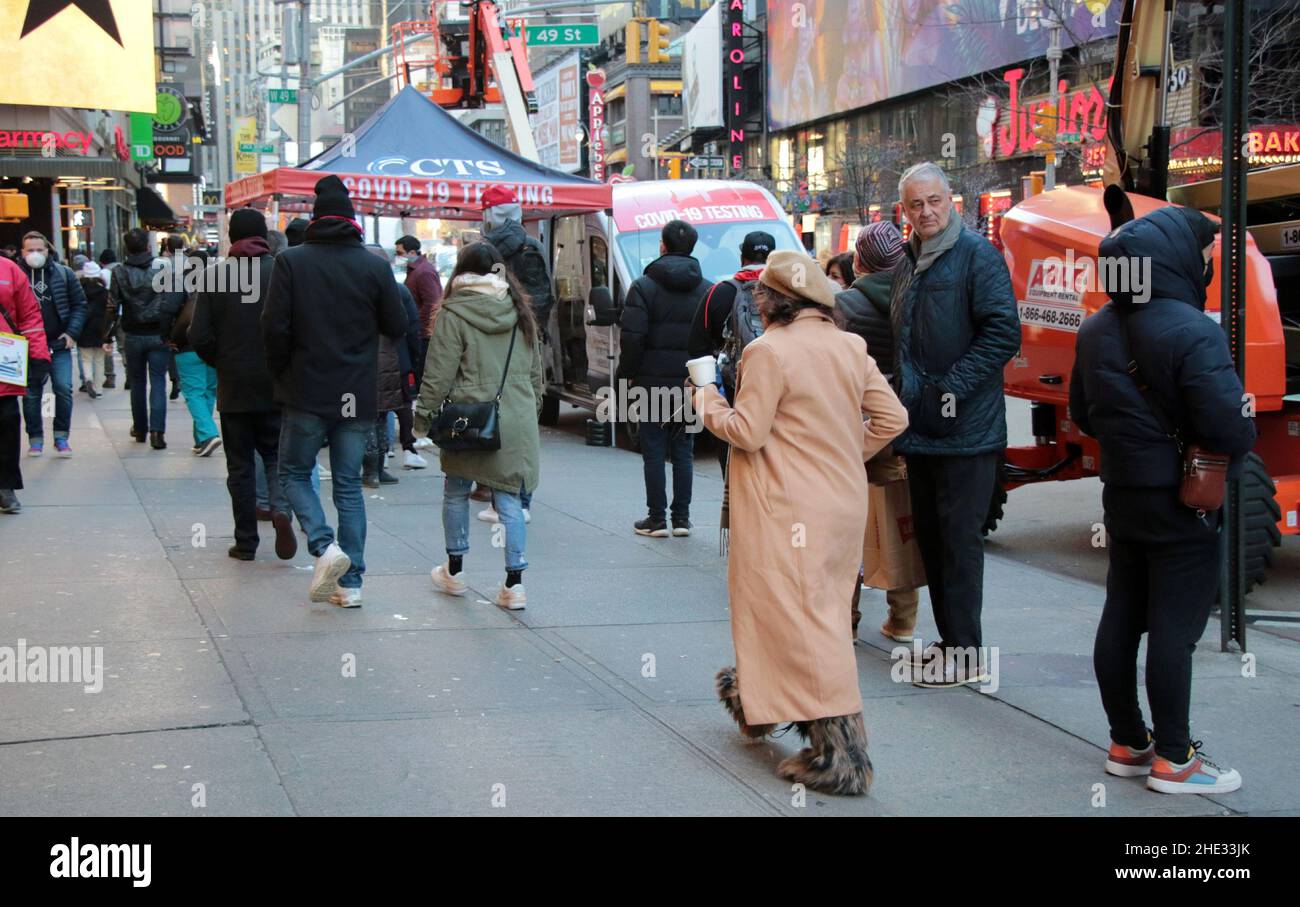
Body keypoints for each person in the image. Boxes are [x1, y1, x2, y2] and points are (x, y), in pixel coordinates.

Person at [693, 249, 909, 795]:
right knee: (820, 611)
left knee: (796, 614)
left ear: (769, 301)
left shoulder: (768, 352)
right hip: (840, 501)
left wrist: (705, 397)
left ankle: (841, 753)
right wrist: (841, 452)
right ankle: (756, 699)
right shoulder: (849, 344)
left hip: (785, 505)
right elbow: (893, 417)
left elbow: (747, 431)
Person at [1071, 203, 1256, 795]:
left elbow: (1081, 414)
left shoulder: (1096, 327)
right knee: (1174, 632)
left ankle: (1128, 742)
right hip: (1183, 502)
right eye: (1203, 256)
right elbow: (1231, 431)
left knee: (1122, 617)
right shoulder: (1193, 328)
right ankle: (1176, 759)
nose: (1205, 266)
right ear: (1172, 259)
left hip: (1123, 495)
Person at [889, 162, 1021, 687]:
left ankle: (966, 654)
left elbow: (1002, 334)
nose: (925, 212)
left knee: (959, 542)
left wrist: (948, 389)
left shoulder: (977, 257)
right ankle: (951, 644)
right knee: (934, 540)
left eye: (933, 201)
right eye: (915, 204)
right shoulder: (909, 260)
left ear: (952, 201)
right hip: (920, 428)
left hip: (966, 430)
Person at [262, 175, 407, 608]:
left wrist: (281, 372)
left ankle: (325, 548)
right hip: (355, 392)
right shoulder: (374, 266)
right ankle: (353, 583)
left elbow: (274, 328)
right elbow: (398, 326)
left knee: (292, 473)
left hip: (305, 388)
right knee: (347, 484)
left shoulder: (292, 262)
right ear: (352, 219)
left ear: (314, 216)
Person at [420, 242, 543, 611]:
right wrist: (529, 408)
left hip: (467, 417)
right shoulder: (520, 310)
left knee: (456, 490)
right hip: (516, 414)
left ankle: (455, 572)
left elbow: (438, 374)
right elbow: (537, 372)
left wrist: (422, 418)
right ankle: (514, 584)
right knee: (509, 497)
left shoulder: (453, 312)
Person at [835, 221, 924, 643]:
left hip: (855, 423)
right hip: (905, 421)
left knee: (847, 521)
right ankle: (903, 619)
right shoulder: (918, 297)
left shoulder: (844, 306)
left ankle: (846, 619)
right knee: (897, 518)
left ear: (861, 261)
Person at [190, 208, 297, 562]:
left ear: (232, 237)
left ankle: (245, 541)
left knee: (239, 467)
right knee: (276, 457)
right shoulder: (282, 273)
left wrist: (222, 362)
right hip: (276, 386)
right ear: (264, 237)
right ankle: (281, 510)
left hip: (234, 388)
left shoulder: (214, 276)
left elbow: (198, 335)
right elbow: (296, 330)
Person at [618, 219, 709, 538]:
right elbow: (713, 340)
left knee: (653, 450)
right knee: (684, 449)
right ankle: (682, 518)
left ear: (663, 245)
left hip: (651, 382)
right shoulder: (707, 288)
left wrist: (626, 376)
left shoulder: (643, 287)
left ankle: (656, 519)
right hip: (690, 384)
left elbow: (632, 338)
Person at [109, 228, 182, 449]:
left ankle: (140, 428)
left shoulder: (119, 271)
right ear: (148, 246)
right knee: (158, 381)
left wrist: (107, 333)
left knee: (138, 382)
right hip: (158, 332)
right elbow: (172, 299)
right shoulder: (163, 267)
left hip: (133, 332)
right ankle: (157, 432)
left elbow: (113, 305)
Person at [18, 231, 86, 458]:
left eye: (40, 249)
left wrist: (71, 332)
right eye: (30, 250)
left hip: (58, 344)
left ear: (48, 251)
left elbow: (79, 304)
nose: (35, 254)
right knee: (31, 393)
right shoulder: (16, 274)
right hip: (26, 345)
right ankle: (35, 439)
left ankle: (61, 437)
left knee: (64, 389)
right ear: (22, 252)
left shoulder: (63, 274)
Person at [0, 254, 52, 514]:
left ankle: (5, 486)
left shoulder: (9, 270)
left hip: (4, 361)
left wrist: (39, 356)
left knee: (7, 424)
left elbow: (30, 316)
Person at [162, 248, 221, 457]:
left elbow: (167, 310)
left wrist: (166, 337)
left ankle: (207, 434)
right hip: (214, 347)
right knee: (208, 391)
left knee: (193, 392)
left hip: (186, 345)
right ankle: (201, 440)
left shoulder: (180, 283)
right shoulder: (219, 282)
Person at [360, 244, 408, 488]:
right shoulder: (390, 291)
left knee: (367, 417)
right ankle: (378, 469)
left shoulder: (356, 289)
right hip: (387, 359)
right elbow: (400, 324)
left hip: (365, 360)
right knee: (380, 417)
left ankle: (371, 471)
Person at [396, 234, 444, 392]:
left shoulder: (423, 272)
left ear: (412, 253)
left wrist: (420, 327)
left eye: (400, 253)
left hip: (422, 334)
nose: (398, 257)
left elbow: (432, 302)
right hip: (419, 331)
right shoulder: (416, 270)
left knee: (421, 374)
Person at [75, 261, 109, 398]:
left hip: (84, 328)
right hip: (101, 328)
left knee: (86, 358)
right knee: (100, 360)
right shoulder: (104, 292)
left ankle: (88, 379)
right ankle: (99, 388)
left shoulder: (79, 291)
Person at [97, 249, 121, 389]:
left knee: (107, 345)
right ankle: (128, 372)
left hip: (108, 313)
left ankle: (110, 375)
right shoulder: (123, 270)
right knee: (123, 347)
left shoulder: (103, 273)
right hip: (124, 313)